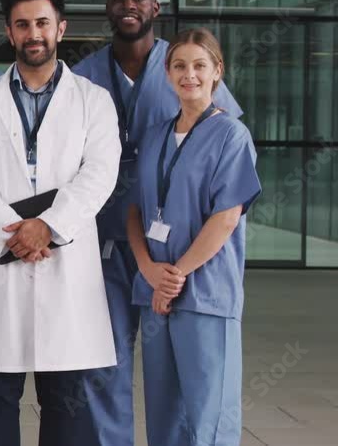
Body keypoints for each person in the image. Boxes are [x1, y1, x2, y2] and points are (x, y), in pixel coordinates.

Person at [71, 0, 242, 446]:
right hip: (106, 242)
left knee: (185, 380)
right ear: (107, 6)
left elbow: (220, 132)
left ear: (155, 7)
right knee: (105, 365)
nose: (129, 5)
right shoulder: (83, 75)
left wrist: (175, 266)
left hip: (173, 254)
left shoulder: (186, 61)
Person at [0, 0, 119, 446]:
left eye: (42, 23)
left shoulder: (93, 100)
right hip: (1, 260)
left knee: (66, 399)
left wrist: (47, 227)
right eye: (23, 24)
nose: (33, 33)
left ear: (60, 28)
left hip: (65, 262)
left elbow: (101, 173)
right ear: (9, 31)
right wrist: (16, 235)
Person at [128, 28, 260, 446]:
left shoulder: (231, 136)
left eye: (200, 65)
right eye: (180, 66)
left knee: (209, 415)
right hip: (156, 293)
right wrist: (149, 270)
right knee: (164, 415)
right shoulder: (156, 136)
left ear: (217, 71)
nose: (190, 75)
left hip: (205, 294)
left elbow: (225, 218)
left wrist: (176, 276)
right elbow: (134, 210)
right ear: (167, 73)